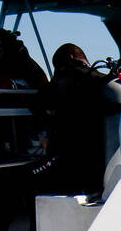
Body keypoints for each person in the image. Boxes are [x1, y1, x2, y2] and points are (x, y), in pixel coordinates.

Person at [35, 43, 110, 198]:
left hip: (68, 168)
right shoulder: (106, 81)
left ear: (69, 59)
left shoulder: (61, 80)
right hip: (104, 170)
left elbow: (37, 102)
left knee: (17, 179)